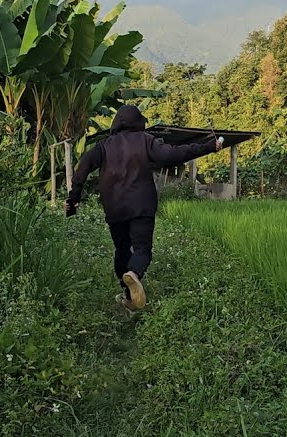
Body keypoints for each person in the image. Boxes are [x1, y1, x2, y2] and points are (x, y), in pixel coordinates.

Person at [65, 105, 223, 310]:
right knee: (142, 249)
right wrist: (207, 146)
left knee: (122, 250)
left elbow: (82, 168)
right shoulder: (146, 141)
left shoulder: (103, 147)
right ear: (138, 122)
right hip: (142, 206)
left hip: (115, 208)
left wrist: (73, 197)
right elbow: (172, 155)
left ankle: (128, 296)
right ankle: (134, 273)